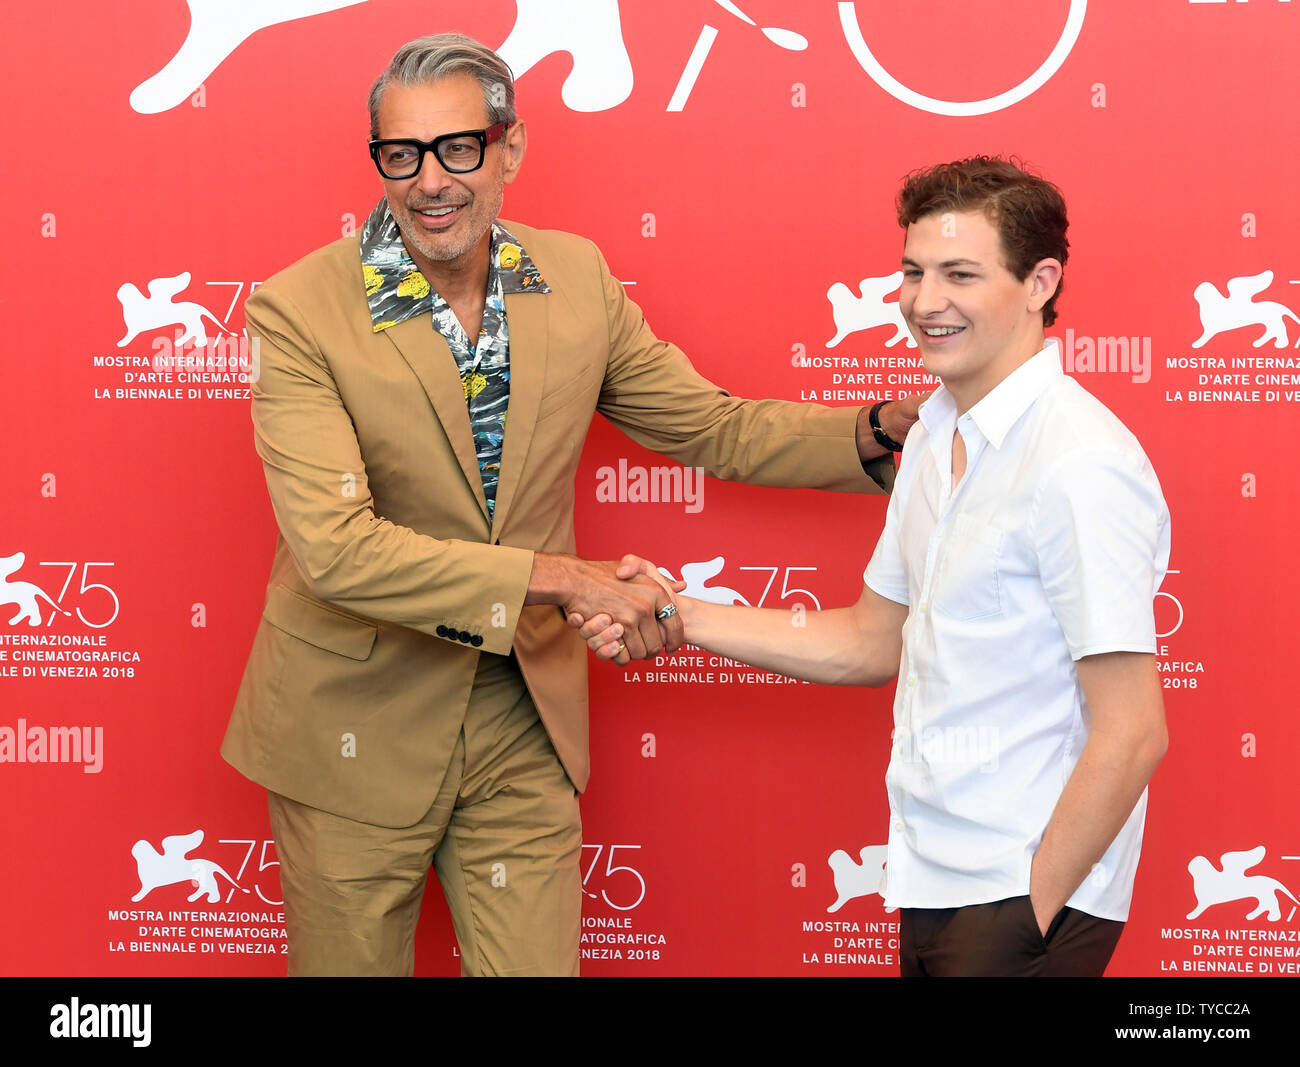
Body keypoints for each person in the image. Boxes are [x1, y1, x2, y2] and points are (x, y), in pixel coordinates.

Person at [221, 32, 922, 977]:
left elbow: (710, 425)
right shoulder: (300, 308)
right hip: (352, 725)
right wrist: (566, 580)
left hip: (520, 714)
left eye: (459, 147)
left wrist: (876, 428)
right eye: (403, 154)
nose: (432, 181)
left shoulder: (577, 279)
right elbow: (339, 551)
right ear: (381, 162)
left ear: (510, 148)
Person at [580, 157, 1170, 977]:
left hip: (1020, 892)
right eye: (913, 272)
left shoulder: (1079, 461)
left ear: (1040, 282)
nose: (926, 302)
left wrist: (1034, 905)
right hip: (930, 873)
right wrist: (679, 614)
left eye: (960, 274)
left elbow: (1133, 729)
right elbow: (869, 640)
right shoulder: (930, 436)